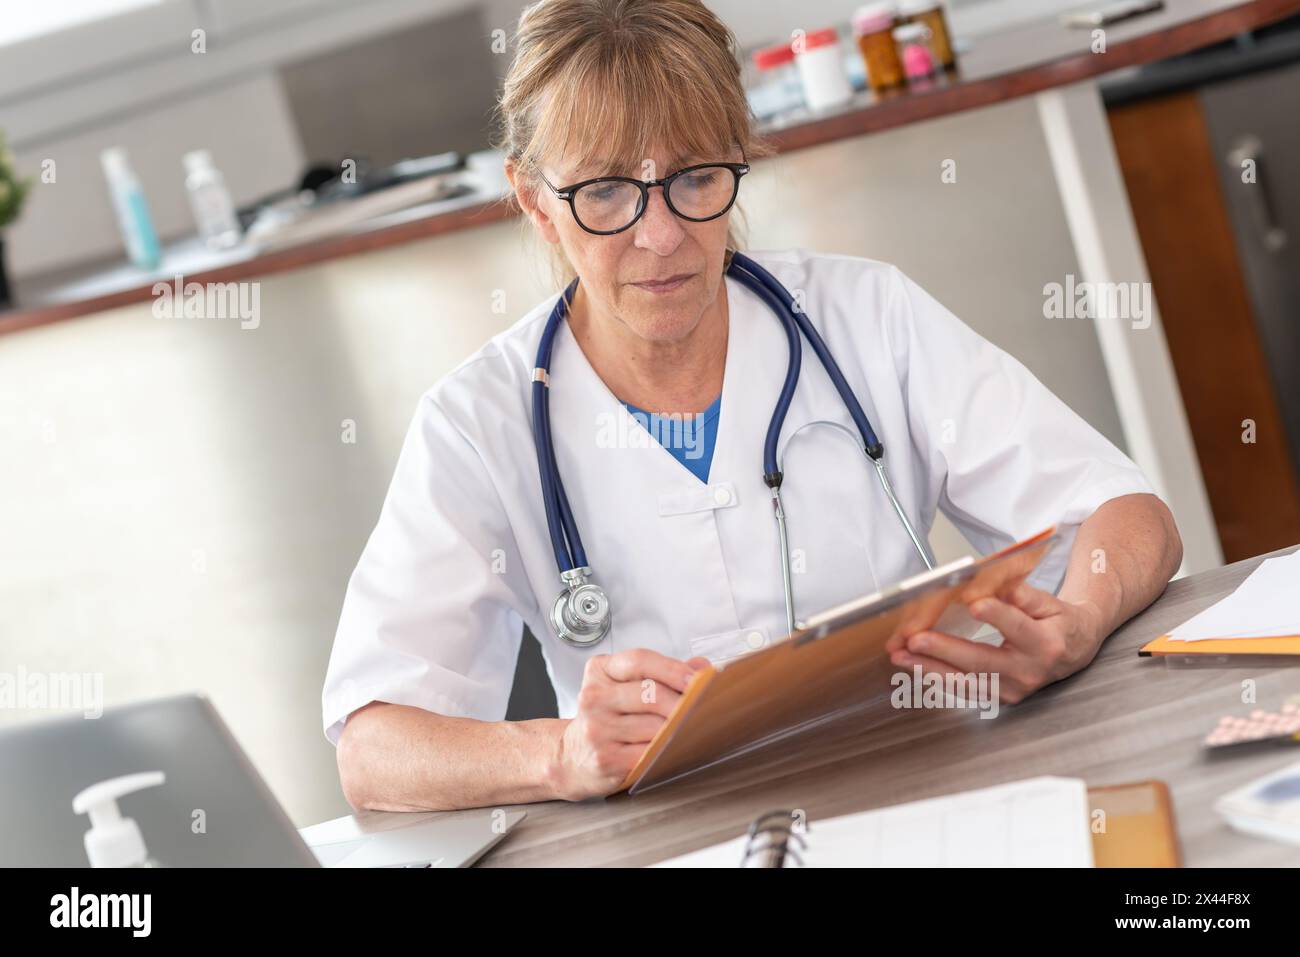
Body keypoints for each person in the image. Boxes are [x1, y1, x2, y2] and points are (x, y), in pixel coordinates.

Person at [322, 0, 1182, 811]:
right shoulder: (479, 425)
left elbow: (1129, 516)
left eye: (696, 178)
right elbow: (373, 747)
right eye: (607, 193)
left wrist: (1079, 618)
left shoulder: (865, 317)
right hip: (667, 833)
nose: (660, 236)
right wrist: (559, 753)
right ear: (536, 201)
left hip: (929, 781)